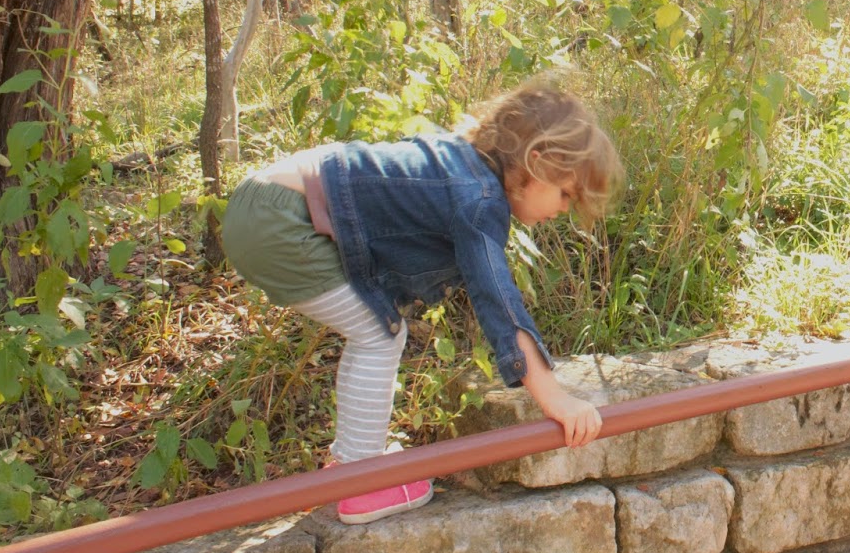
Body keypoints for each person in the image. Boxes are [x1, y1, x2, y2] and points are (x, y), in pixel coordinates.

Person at [222, 77, 623, 524]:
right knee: (379, 335)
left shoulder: (458, 165)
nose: (564, 209)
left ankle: (353, 462)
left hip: (259, 205)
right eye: (566, 193)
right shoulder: (478, 200)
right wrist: (557, 401)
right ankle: (359, 480)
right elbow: (499, 303)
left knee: (375, 331)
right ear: (537, 161)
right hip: (280, 220)